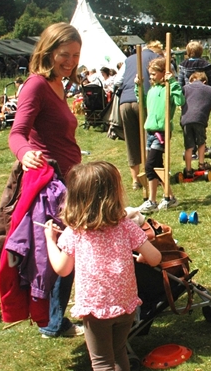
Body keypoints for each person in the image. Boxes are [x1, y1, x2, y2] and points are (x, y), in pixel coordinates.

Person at [6, 22, 84, 339]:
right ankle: (52, 321)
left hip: (71, 179)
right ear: (48, 51)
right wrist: (25, 153)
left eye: (76, 55)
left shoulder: (59, 84)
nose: (70, 61)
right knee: (62, 251)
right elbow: (17, 133)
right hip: (52, 185)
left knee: (70, 249)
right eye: (64, 54)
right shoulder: (35, 85)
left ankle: (54, 318)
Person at [44, 161, 162, 371]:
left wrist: (49, 241)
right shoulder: (125, 226)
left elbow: (62, 269)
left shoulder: (75, 232)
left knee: (102, 361)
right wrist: (142, 258)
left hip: (95, 308)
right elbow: (155, 258)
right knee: (119, 352)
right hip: (125, 305)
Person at [136, 57, 183, 214]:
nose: (151, 77)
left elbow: (180, 101)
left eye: (154, 73)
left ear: (164, 73)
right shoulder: (152, 90)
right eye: (149, 74)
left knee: (150, 166)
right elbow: (143, 102)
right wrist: (138, 87)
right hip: (150, 132)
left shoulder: (168, 88)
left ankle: (152, 201)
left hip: (161, 132)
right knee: (157, 166)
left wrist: (173, 83)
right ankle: (170, 197)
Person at [115, 41, 161, 190]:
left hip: (125, 102)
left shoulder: (129, 59)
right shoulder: (156, 58)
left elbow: (117, 81)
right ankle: (151, 175)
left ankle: (135, 179)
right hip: (144, 99)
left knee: (131, 141)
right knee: (150, 138)